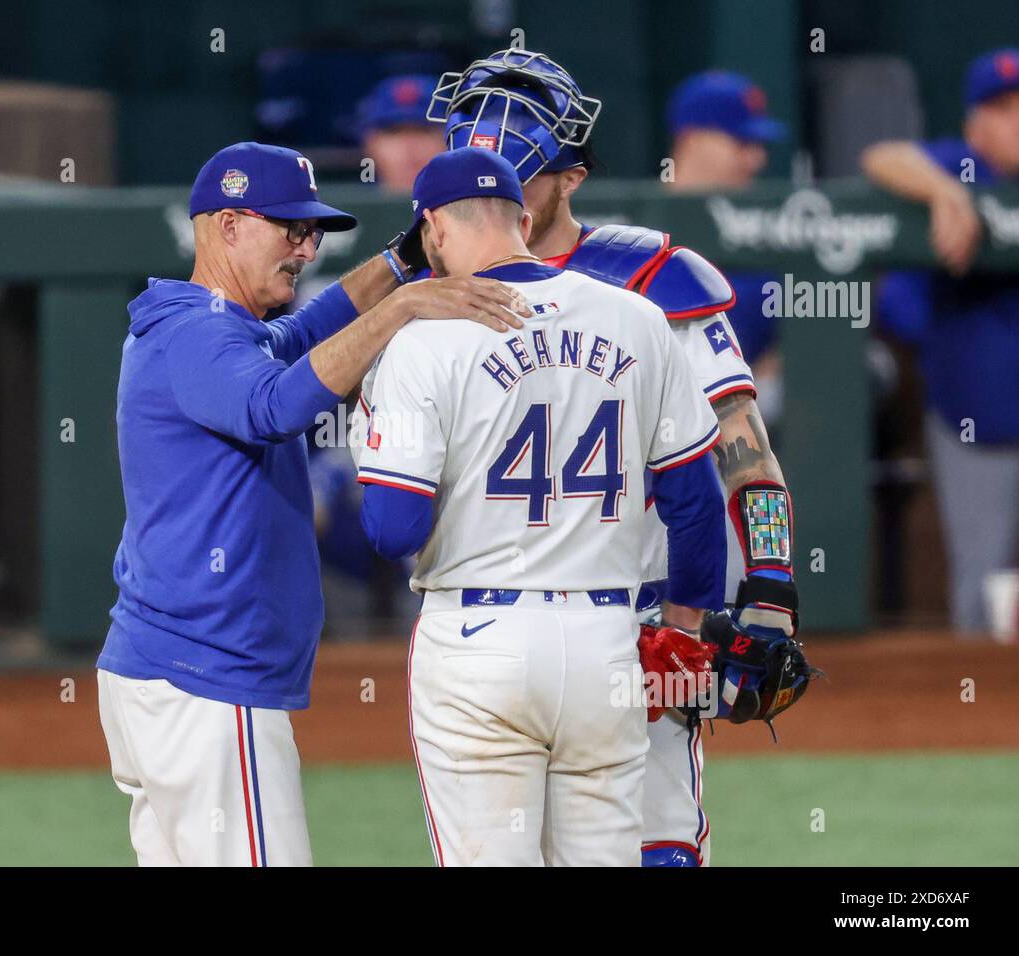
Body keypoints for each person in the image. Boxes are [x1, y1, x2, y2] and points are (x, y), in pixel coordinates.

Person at [357, 48, 801, 866]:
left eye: (514, 172)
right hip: (541, 618)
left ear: (571, 177)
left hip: (645, 618)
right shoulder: (425, 296)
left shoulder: (647, 278)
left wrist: (770, 587)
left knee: (657, 847)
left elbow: (745, 454)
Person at [96, 141, 528, 866]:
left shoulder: (213, 326)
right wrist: (409, 306)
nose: (306, 246)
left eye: (314, 232)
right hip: (207, 687)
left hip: (172, 679)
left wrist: (397, 268)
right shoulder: (198, 335)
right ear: (229, 225)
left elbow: (307, 331)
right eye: (289, 228)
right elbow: (276, 404)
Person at [862, 48, 1019, 633]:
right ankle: (985, 720)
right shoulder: (960, 167)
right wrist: (945, 192)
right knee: (982, 588)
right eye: (1003, 109)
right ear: (974, 124)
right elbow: (881, 156)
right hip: (977, 419)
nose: (1017, 120)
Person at [665, 70, 787, 425]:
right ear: (692, 140)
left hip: (752, 428)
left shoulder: (773, 231)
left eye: (759, 147)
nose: (756, 160)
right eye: (741, 144)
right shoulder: (634, 233)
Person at [356, 74, 446, 192]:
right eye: (394, 132)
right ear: (370, 144)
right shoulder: (339, 208)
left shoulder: (475, 208)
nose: (410, 148)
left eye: (423, 130)